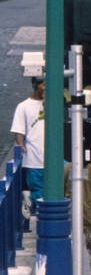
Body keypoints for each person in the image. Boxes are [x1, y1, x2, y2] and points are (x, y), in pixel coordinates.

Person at [11, 77, 45, 211]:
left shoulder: (52, 104)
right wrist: (21, 145)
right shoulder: (23, 106)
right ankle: (31, 206)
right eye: (44, 85)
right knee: (38, 190)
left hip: (53, 159)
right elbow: (18, 130)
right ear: (36, 86)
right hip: (33, 160)